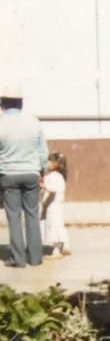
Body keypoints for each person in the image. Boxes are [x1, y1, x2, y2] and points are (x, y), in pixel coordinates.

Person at [0, 85, 48, 268]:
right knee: (32, 215)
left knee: (13, 217)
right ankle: (36, 257)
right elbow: (43, 151)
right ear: (20, 103)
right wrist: (41, 172)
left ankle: (18, 259)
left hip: (8, 175)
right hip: (31, 174)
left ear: (2, 104)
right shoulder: (33, 122)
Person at [41, 152, 70, 258]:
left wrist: (43, 186)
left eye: (49, 161)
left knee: (52, 226)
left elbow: (53, 189)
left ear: (55, 163)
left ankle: (56, 251)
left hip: (53, 205)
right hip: (59, 204)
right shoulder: (61, 176)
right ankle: (66, 245)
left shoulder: (53, 176)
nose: (47, 163)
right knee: (59, 225)